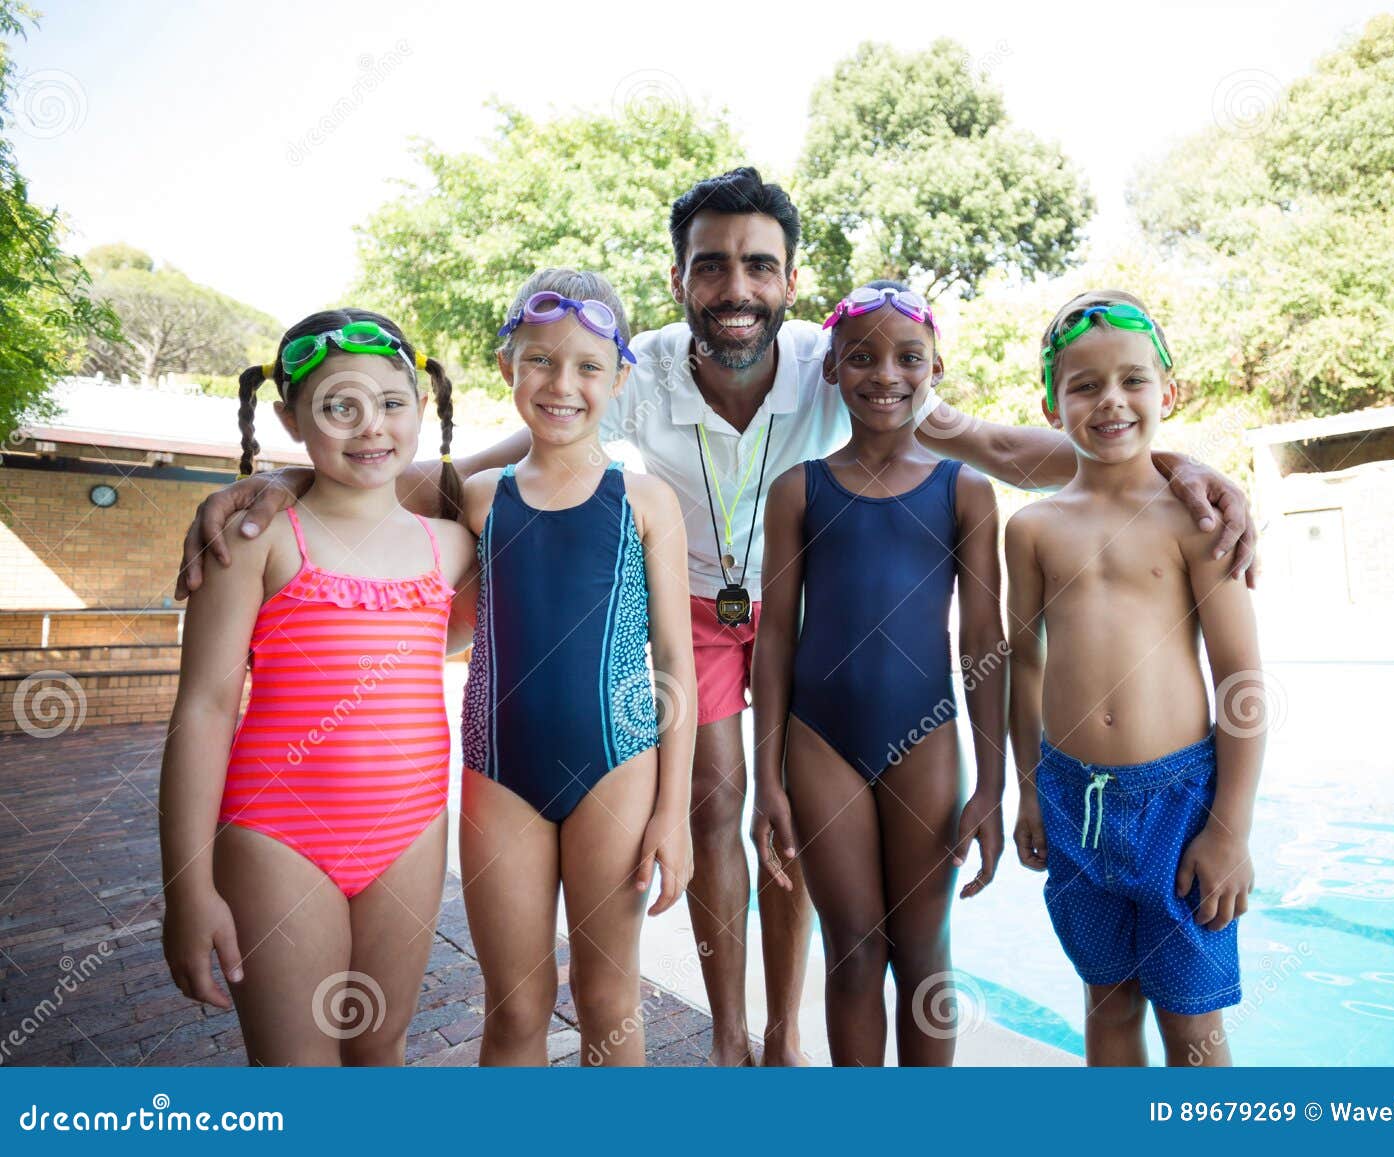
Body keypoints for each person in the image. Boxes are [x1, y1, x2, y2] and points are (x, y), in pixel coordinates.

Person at [172, 169, 1259, 1066]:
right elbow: (455, 469)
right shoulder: (626, 368)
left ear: (786, 278)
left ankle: (785, 1036)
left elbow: (1010, 444)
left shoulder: (845, 360)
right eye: (710, 264)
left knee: (784, 825)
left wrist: (1167, 463)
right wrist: (275, 481)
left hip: (802, 613)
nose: (734, 285)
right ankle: (737, 1035)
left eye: (756, 263)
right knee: (721, 791)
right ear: (679, 277)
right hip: (689, 602)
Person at [158, 310, 477, 1064]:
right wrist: (186, 886)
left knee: (380, 1046)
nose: (371, 426)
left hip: (412, 830)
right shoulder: (256, 537)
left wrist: (286, 473)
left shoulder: (454, 544)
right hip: (277, 836)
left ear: (421, 409)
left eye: (392, 402)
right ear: (290, 417)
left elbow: (544, 445)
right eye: (340, 405)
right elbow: (203, 708)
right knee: (298, 1066)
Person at [1005, 290, 1264, 1067]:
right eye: (1083, 385)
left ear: (1168, 391)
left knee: (1191, 1024)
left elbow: (1241, 680)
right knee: (1108, 1007)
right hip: (1072, 795)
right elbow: (1023, 659)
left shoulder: (1196, 521)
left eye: (1132, 380)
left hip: (1181, 803)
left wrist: (1230, 827)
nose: (1109, 401)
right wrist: (1028, 786)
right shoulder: (1033, 528)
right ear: (1051, 406)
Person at [751, 281, 1005, 1065]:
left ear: (936, 367)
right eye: (860, 357)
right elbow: (775, 641)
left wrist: (992, 784)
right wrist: (768, 777)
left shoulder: (966, 490)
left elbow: (983, 643)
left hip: (925, 735)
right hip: (820, 740)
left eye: (907, 358)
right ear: (832, 369)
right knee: (854, 951)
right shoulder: (800, 489)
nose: (884, 374)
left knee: (925, 955)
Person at [456, 269, 694, 1066]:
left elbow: (673, 663)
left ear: (620, 377)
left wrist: (675, 810)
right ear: (506, 366)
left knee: (607, 1001)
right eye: (539, 361)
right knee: (515, 1009)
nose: (562, 384)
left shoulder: (644, 498)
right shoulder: (479, 498)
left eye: (588, 366)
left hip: (620, 767)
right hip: (499, 772)